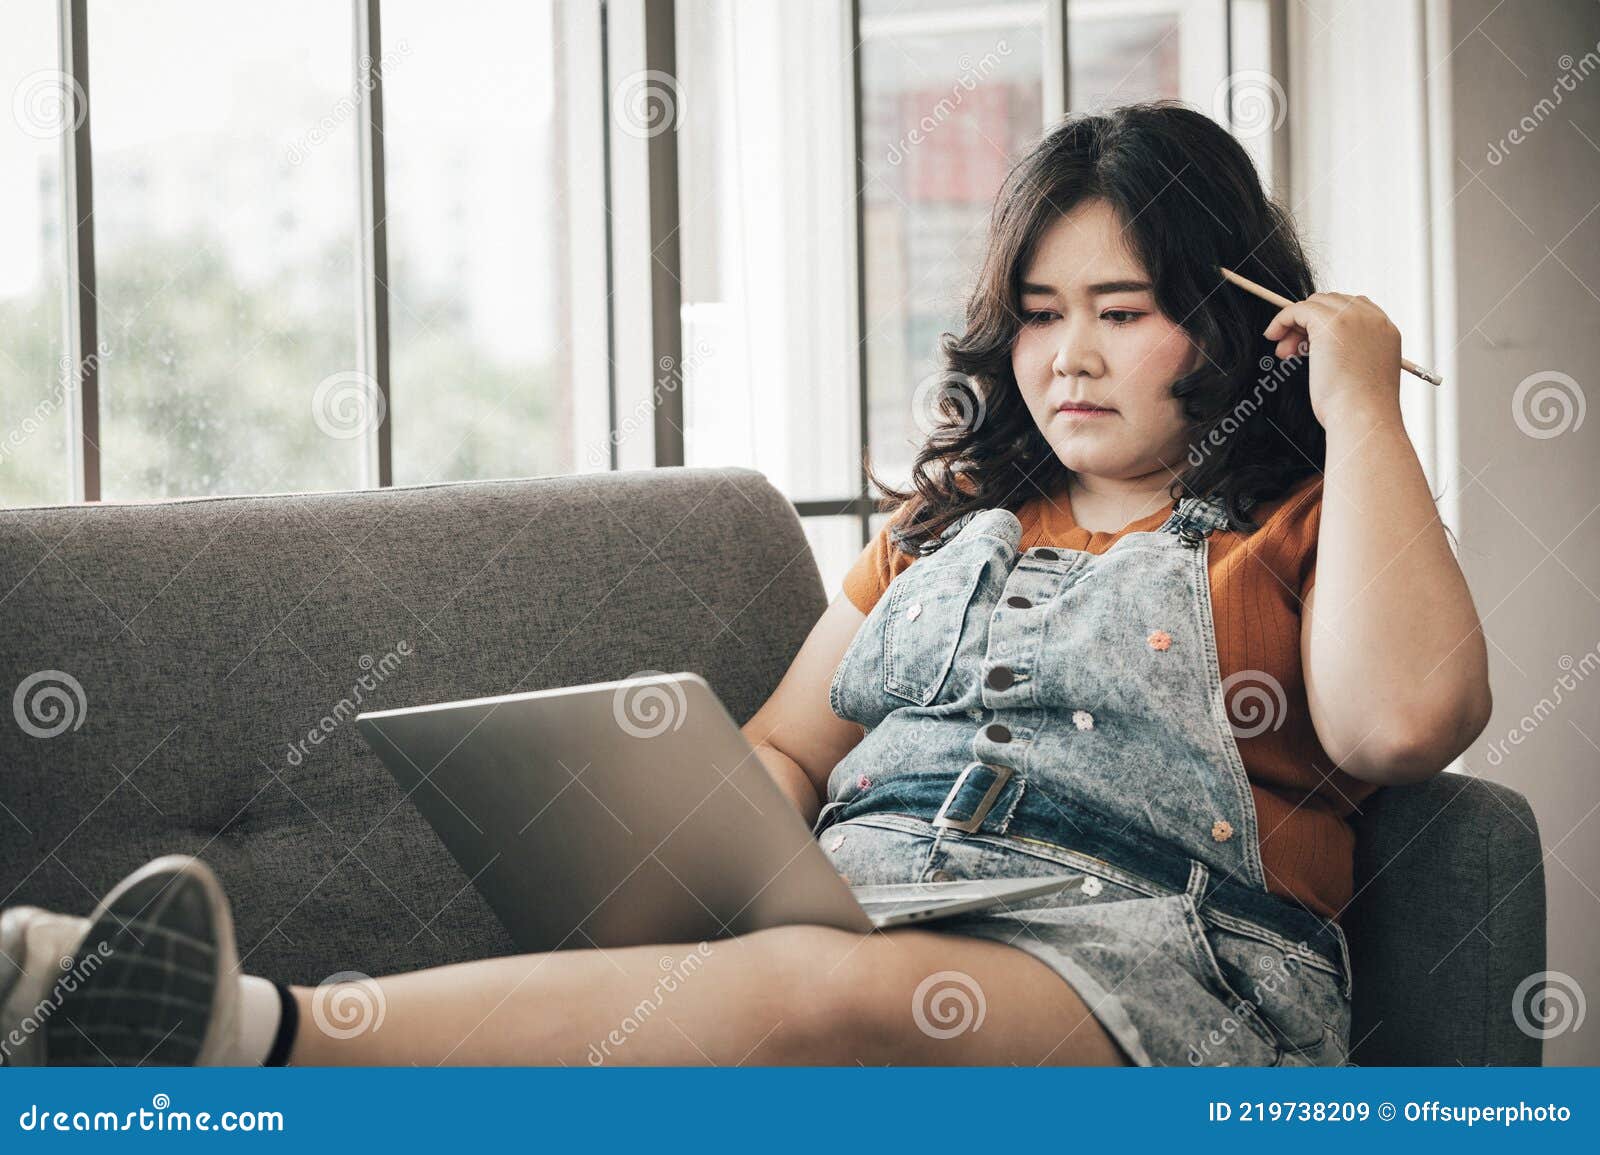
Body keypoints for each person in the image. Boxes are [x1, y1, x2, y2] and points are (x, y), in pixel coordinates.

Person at [0, 100, 1491, 1068]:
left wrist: (1363, 402)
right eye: (1039, 315)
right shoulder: (945, 525)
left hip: (1152, 969)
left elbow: (1405, 721)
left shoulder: (1294, 520)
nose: (1069, 357)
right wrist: (729, 850)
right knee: (767, 985)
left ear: (1236, 323)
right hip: (867, 915)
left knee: (814, 1002)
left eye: (1122, 311)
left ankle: (239, 1038)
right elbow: (787, 742)